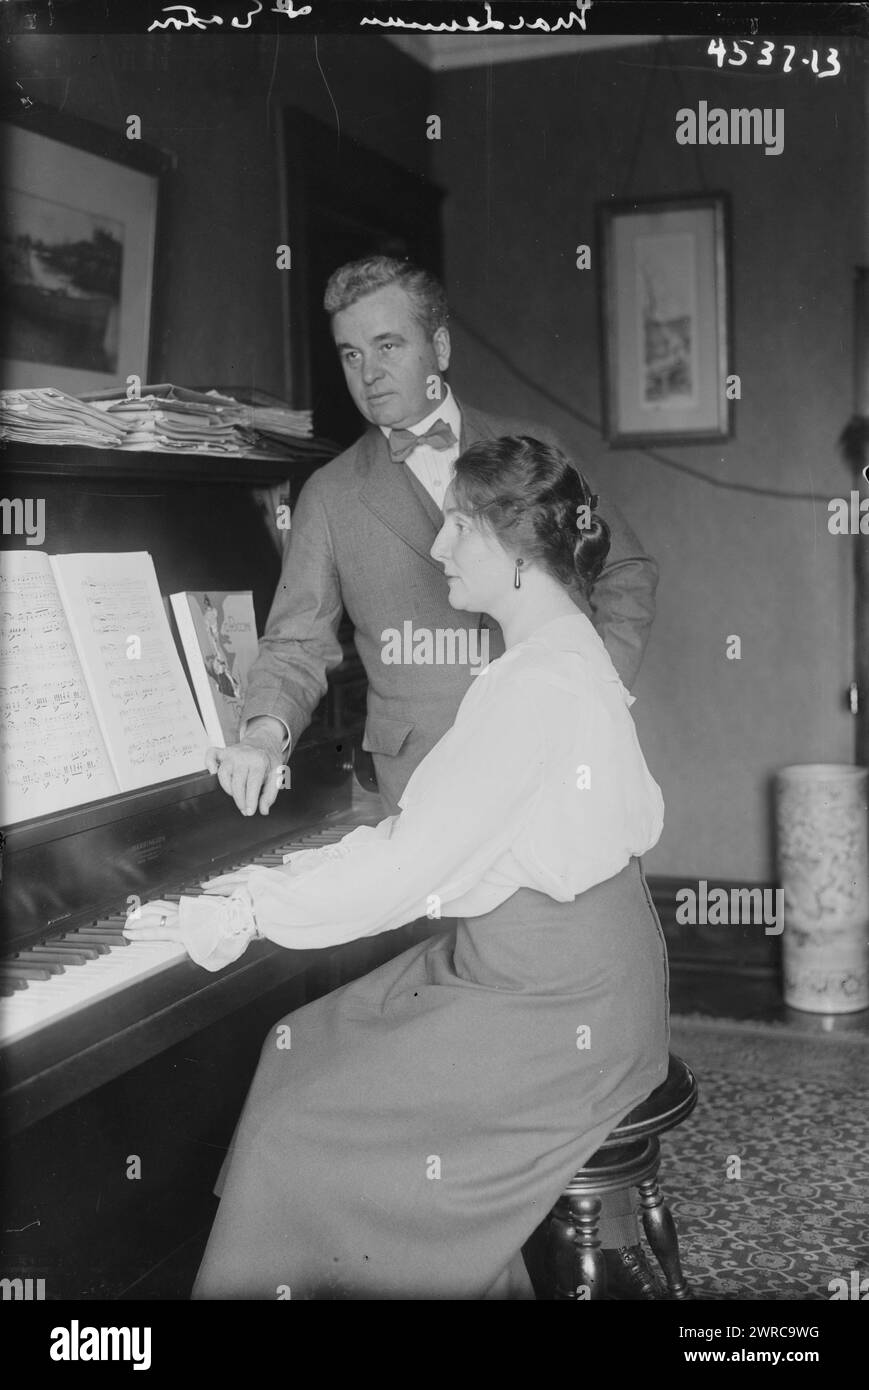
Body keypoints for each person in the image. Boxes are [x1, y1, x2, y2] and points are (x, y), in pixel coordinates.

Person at [205, 255, 661, 1287]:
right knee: (315, 1053)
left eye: (390, 344)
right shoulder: (331, 494)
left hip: (521, 874)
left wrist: (583, 688)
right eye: (349, 354)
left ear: (438, 347)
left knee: (366, 1110)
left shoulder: (521, 460)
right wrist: (264, 728)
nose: (369, 374)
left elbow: (621, 570)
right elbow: (292, 643)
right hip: (426, 829)